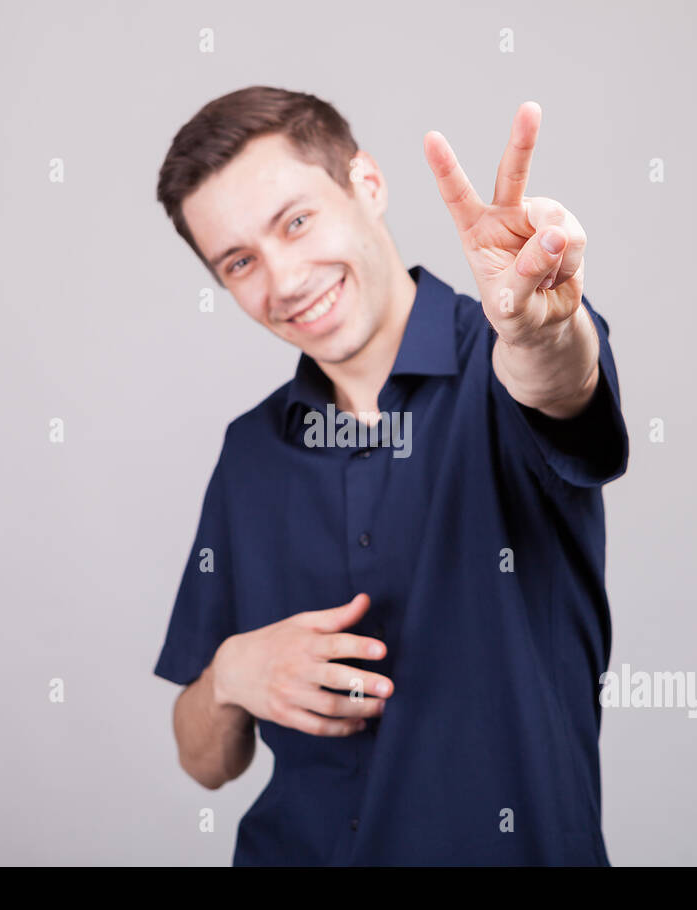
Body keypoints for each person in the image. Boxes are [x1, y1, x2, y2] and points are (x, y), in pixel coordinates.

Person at [153, 85, 629, 865]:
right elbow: (204, 759)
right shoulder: (250, 454)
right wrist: (232, 675)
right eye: (241, 261)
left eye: (296, 221)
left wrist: (540, 331)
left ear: (366, 185)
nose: (284, 281)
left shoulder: (503, 364)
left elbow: (558, 377)